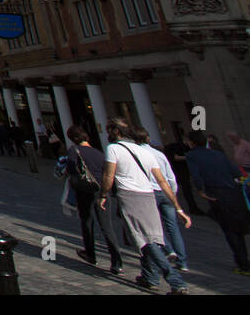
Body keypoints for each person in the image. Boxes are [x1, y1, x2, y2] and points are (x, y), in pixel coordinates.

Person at [98, 118, 190, 294]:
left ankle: (176, 281)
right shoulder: (147, 152)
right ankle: (149, 277)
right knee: (151, 238)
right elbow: (163, 181)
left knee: (146, 241)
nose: (108, 133)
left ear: (116, 132)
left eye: (109, 129)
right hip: (149, 196)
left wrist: (103, 195)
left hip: (130, 196)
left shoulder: (114, 149)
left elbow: (108, 176)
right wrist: (177, 206)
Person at [59, 125, 123, 274]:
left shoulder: (74, 152)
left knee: (87, 222)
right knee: (107, 227)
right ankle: (116, 262)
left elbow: (69, 170)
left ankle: (90, 254)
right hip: (101, 190)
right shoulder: (99, 153)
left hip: (84, 191)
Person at [185, 130, 250, 275]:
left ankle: (244, 265)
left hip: (217, 195)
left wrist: (201, 191)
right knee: (238, 229)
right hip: (234, 193)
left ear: (192, 142)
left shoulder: (192, 156)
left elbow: (196, 176)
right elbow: (236, 172)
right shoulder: (217, 154)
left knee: (230, 231)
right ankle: (243, 262)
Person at [133, 127, 187, 273]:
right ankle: (182, 262)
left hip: (151, 192)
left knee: (154, 225)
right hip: (166, 191)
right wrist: (173, 194)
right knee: (173, 226)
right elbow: (170, 177)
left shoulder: (138, 154)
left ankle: (168, 249)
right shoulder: (159, 154)